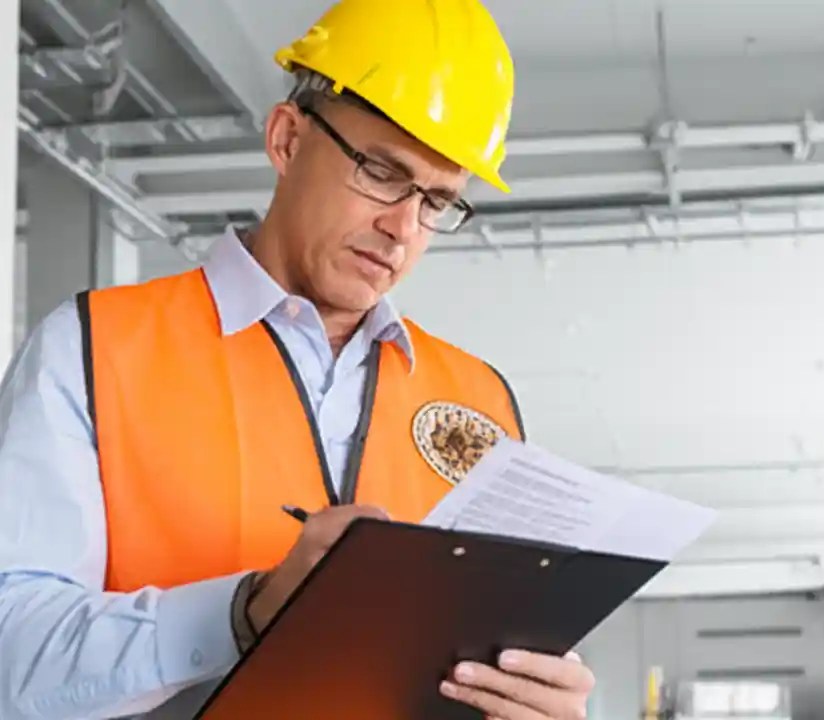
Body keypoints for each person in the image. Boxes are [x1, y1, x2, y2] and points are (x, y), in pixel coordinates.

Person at [0, 0, 597, 718]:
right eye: (380, 171)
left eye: (437, 200)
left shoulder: (481, 400)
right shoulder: (93, 351)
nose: (402, 228)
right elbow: (13, 660)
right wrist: (241, 613)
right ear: (287, 140)